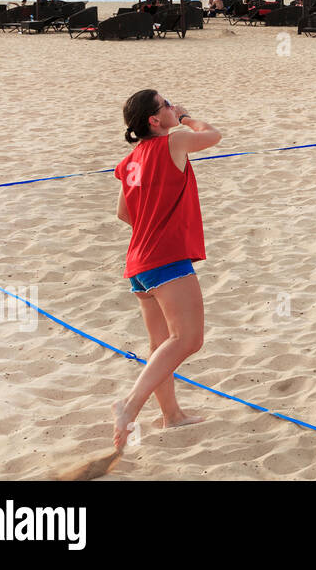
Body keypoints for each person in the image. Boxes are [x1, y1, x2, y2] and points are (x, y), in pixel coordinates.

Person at [112, 90, 220, 449]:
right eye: (166, 104)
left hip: (138, 262)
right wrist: (187, 117)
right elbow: (214, 135)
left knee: (161, 344)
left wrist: (152, 225)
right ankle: (129, 405)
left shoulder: (130, 160)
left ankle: (171, 415)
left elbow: (124, 214)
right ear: (154, 121)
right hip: (166, 259)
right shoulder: (175, 141)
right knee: (188, 340)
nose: (172, 106)